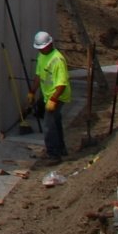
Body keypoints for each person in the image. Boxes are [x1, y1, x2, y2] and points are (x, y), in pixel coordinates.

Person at [31, 30, 72, 163]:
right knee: (56, 122)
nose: (41, 50)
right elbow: (38, 76)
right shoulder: (42, 56)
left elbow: (62, 84)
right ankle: (61, 148)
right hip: (48, 95)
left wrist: (53, 100)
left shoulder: (57, 59)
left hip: (58, 96)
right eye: (39, 49)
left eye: (42, 48)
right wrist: (32, 91)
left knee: (48, 125)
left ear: (49, 44)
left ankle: (54, 154)